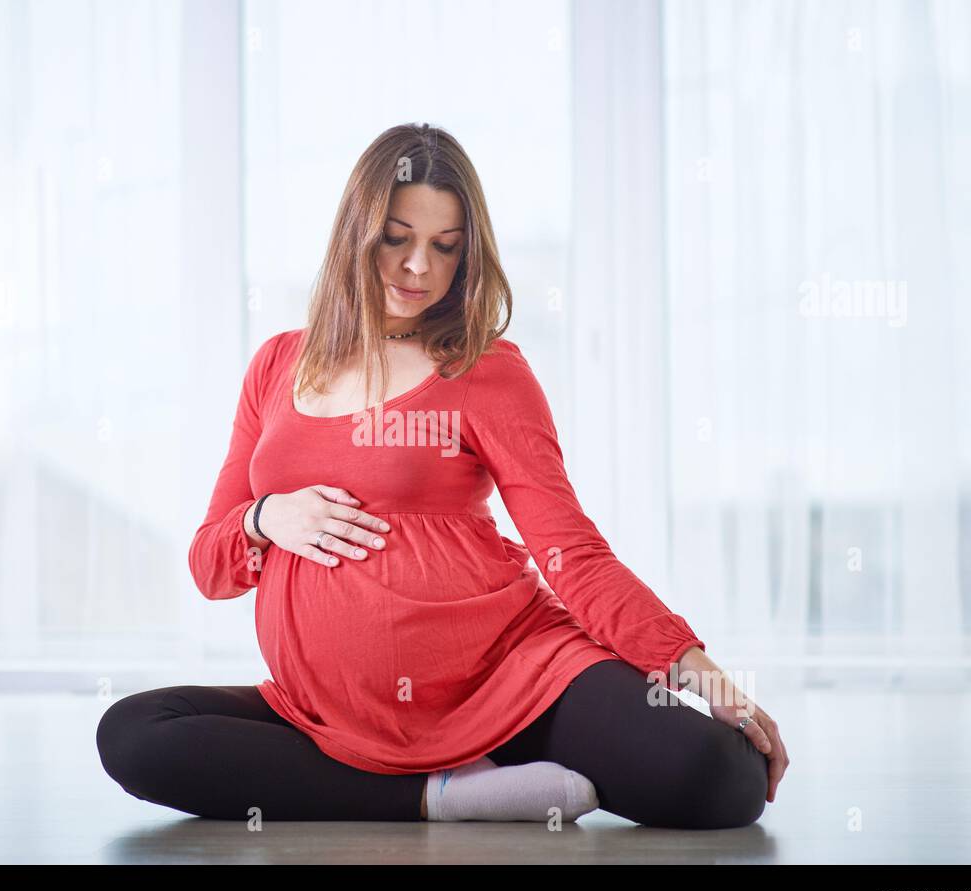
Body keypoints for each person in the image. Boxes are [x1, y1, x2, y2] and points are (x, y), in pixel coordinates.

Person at [97, 122, 788, 826]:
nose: (418, 267)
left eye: (445, 247)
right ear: (356, 232)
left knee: (722, 776)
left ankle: (472, 764)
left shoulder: (487, 369)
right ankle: (442, 795)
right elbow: (212, 567)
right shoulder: (278, 365)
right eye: (397, 237)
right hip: (326, 713)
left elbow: (571, 552)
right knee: (132, 733)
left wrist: (703, 673)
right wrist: (263, 516)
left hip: (510, 677)